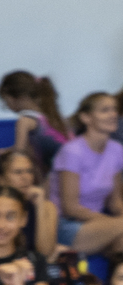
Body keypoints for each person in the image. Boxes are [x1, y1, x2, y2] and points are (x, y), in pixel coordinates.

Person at [52, 93, 123, 256]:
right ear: (86, 118)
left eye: (114, 110)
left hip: (100, 223)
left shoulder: (117, 150)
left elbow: (116, 201)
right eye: (105, 110)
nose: (113, 114)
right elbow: (70, 208)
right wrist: (114, 223)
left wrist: (117, 220)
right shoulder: (72, 151)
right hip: (67, 225)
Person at [0, 149, 59, 261]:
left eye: (29, 171)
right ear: (0, 180)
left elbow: (45, 252)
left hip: (36, 270)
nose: (26, 177)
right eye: (18, 172)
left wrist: (40, 205)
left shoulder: (48, 208)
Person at [0, 71, 69, 173]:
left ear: (14, 98)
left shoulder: (24, 121)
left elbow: (19, 153)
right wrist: (5, 151)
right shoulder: (51, 116)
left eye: (5, 101)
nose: (7, 105)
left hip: (53, 176)